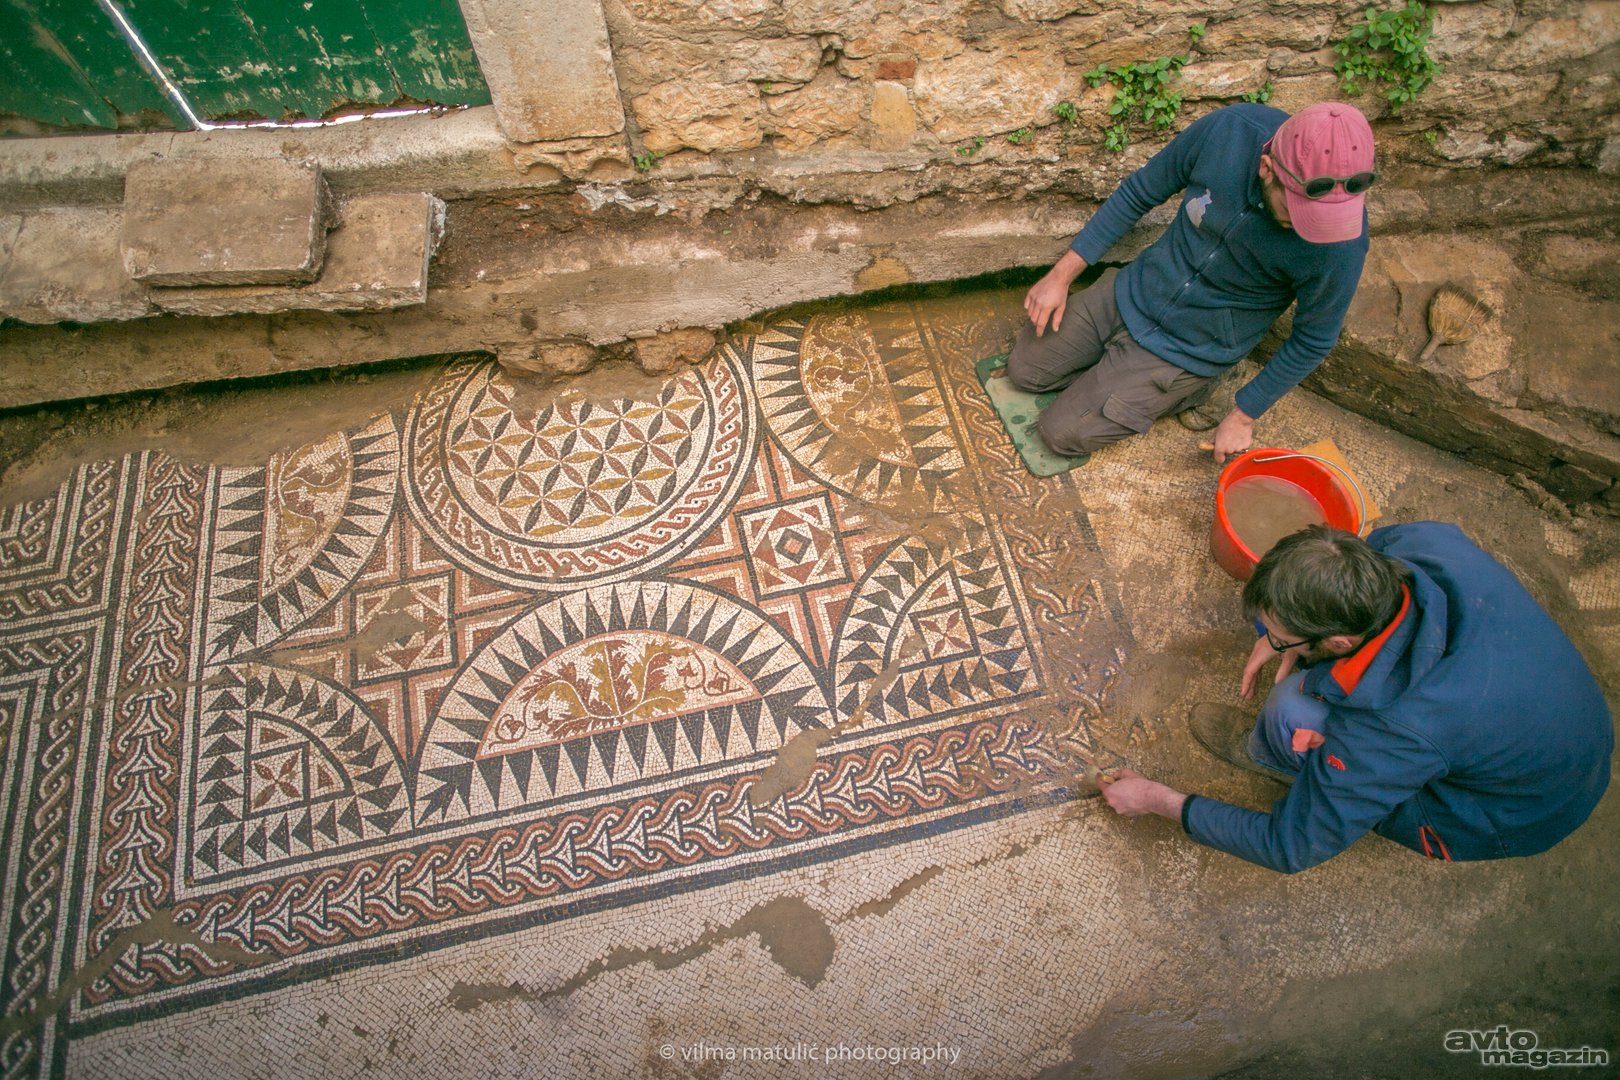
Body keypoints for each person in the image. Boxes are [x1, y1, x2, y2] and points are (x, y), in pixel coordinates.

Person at [1100, 523, 1613, 873]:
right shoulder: (1420, 542)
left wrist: (1157, 800)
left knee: (1290, 710)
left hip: (1510, 814)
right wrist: (1279, 635)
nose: (1270, 641)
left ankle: (1275, 758)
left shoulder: (1394, 729)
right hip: (1560, 730)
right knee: (1308, 690)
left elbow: (1290, 848)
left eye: (1280, 636)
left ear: (1340, 641)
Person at [1010, 101, 1375, 463]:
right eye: (1300, 212)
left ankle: (1205, 386)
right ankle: (1121, 374)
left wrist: (1244, 414)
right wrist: (1060, 275)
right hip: (1137, 289)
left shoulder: (1341, 243)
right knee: (1024, 371)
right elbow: (1139, 192)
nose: (1311, 227)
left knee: (1060, 433)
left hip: (1193, 346)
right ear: (1267, 168)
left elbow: (1313, 340)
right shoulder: (1228, 130)